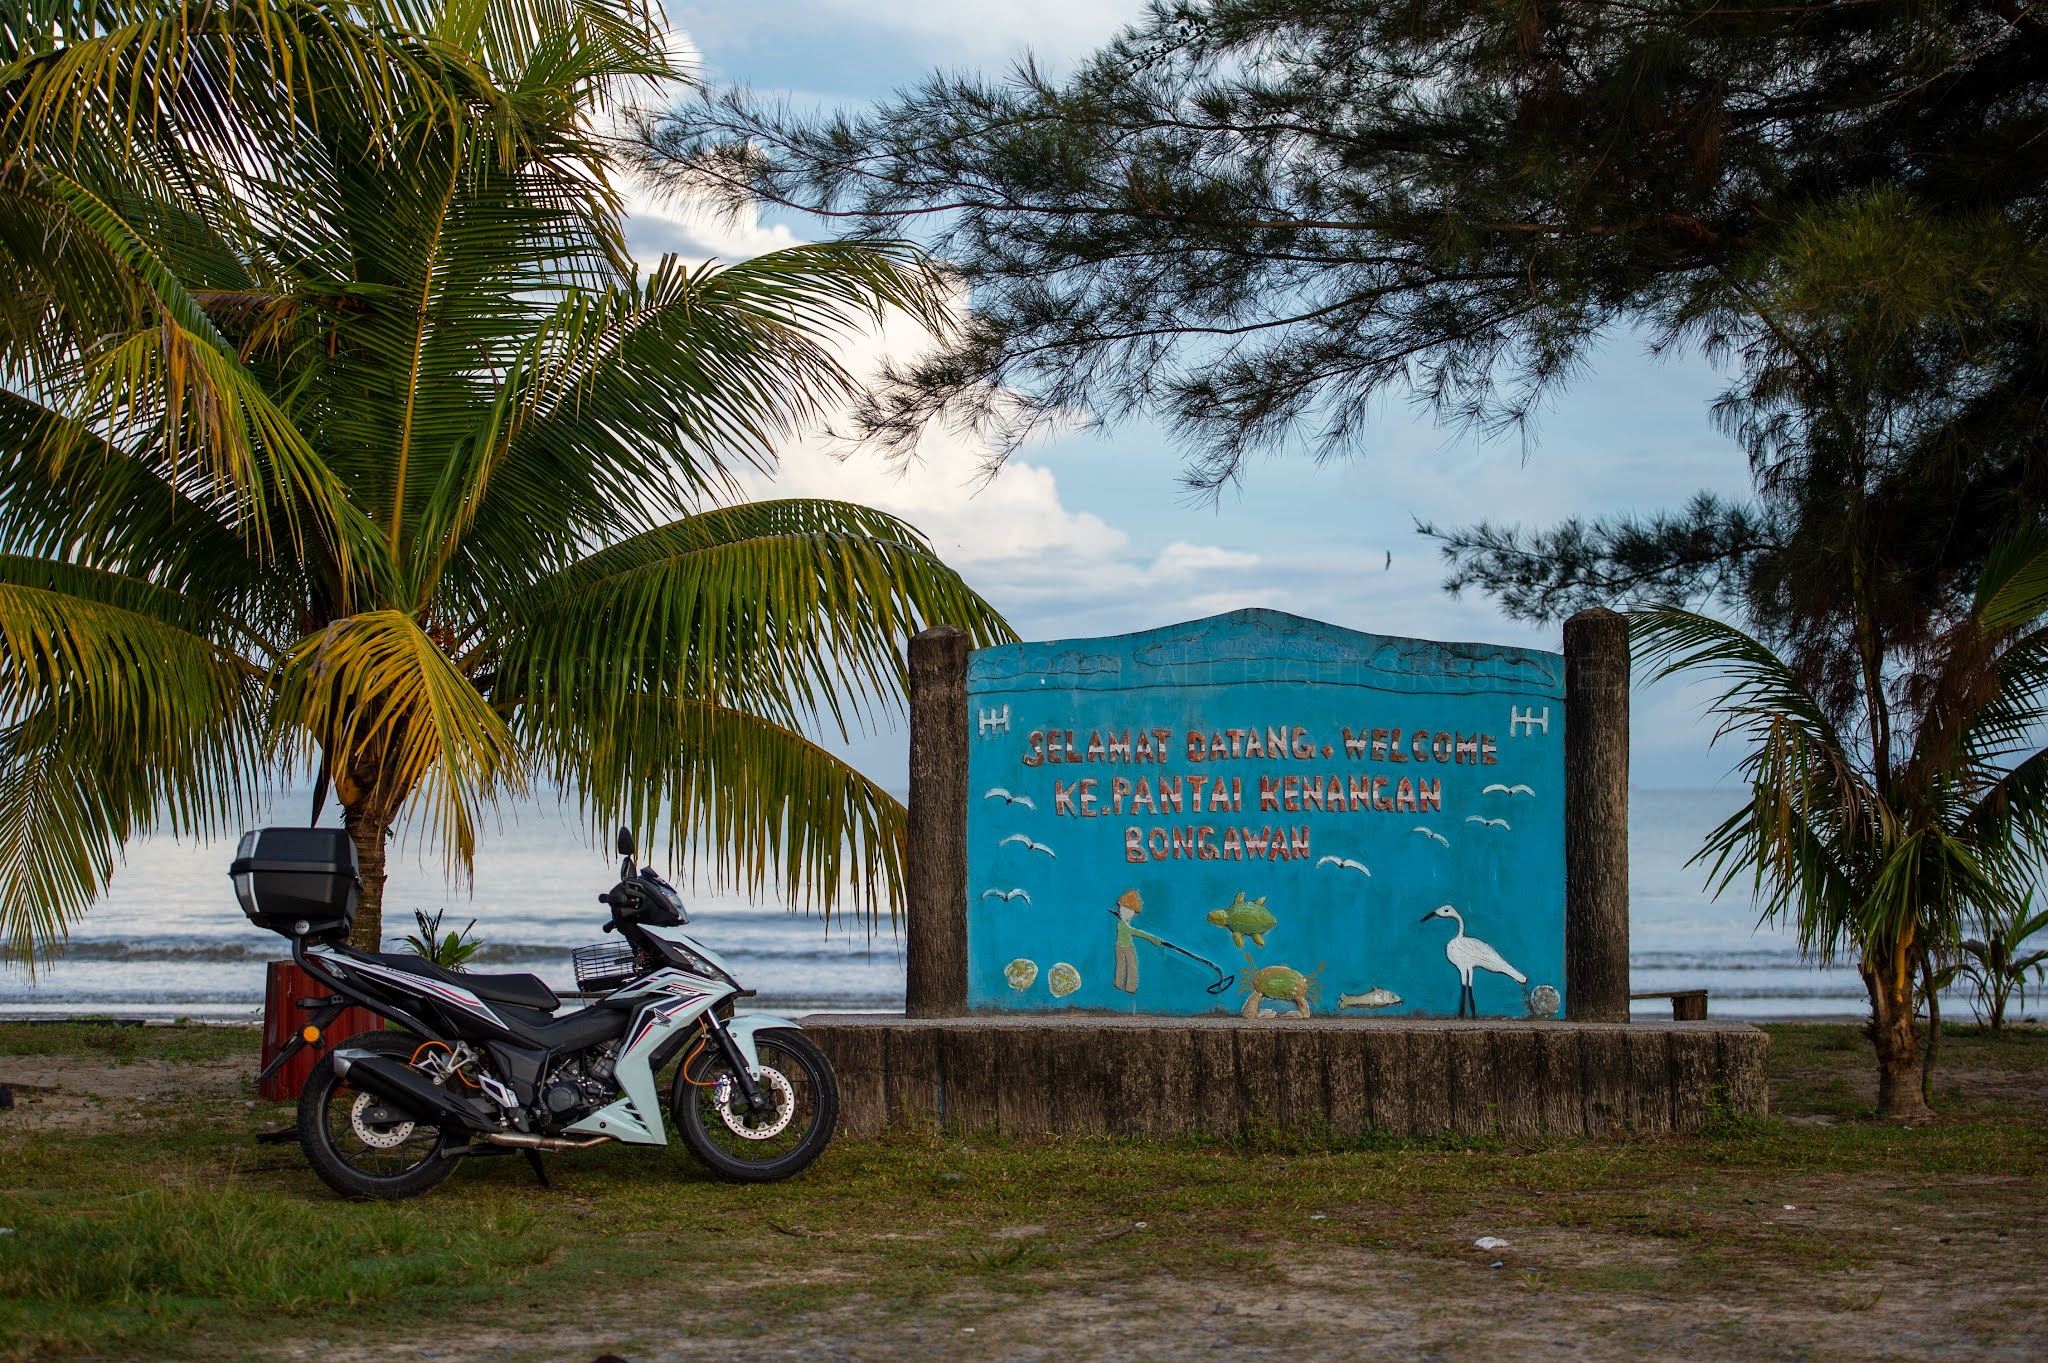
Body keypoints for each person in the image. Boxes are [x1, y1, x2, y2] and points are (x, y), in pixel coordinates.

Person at [1111, 889, 1163, 993]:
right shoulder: (1123, 925)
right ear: (1125, 911)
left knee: (1121, 965)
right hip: (1127, 947)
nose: (1132, 916)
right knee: (1132, 966)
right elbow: (1136, 932)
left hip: (1118, 946)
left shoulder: (1121, 924)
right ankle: (1130, 987)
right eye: (1132, 913)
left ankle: (1118, 983)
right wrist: (1153, 939)